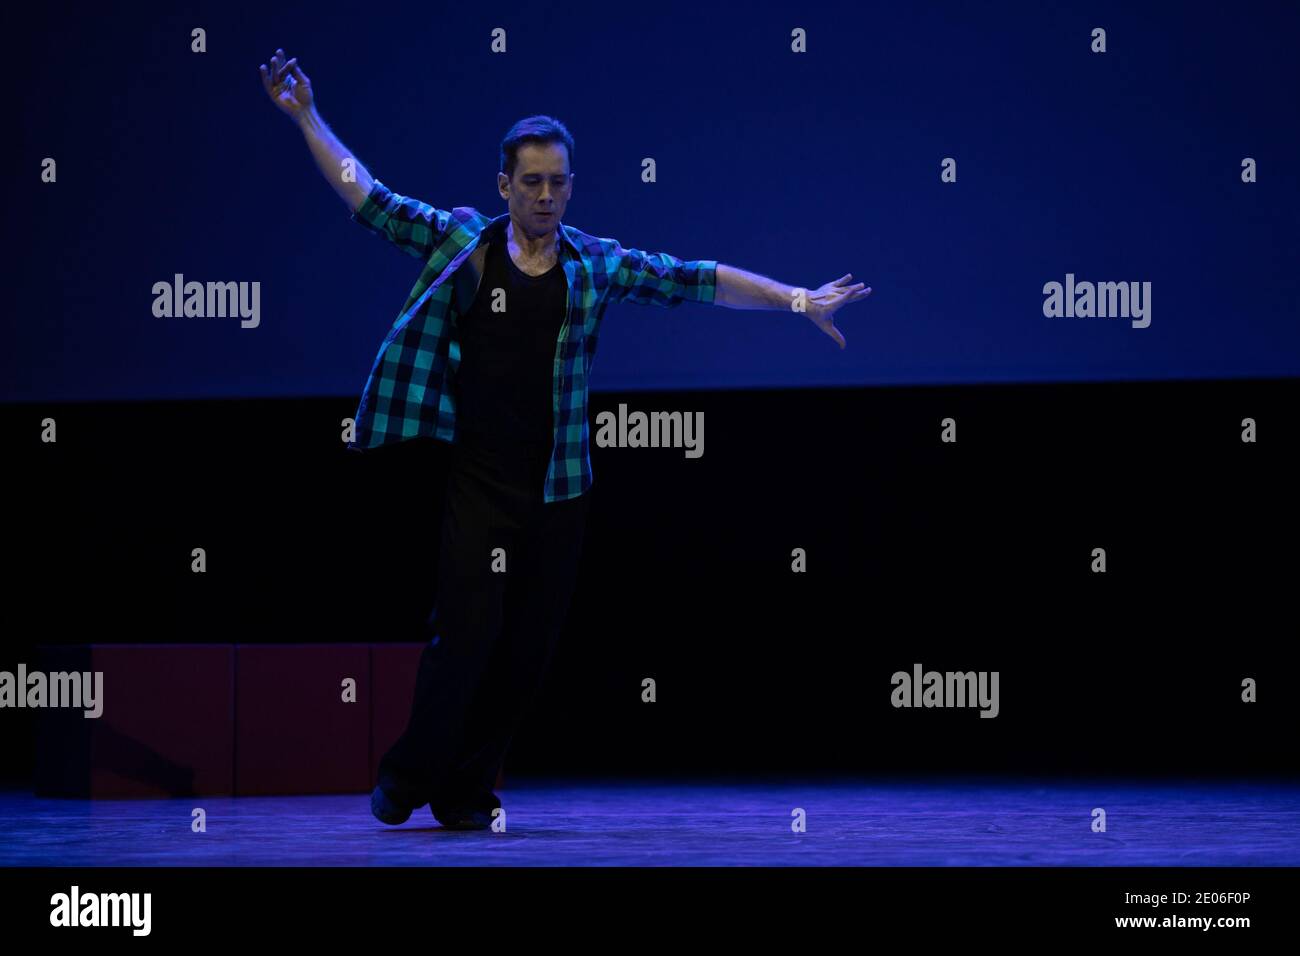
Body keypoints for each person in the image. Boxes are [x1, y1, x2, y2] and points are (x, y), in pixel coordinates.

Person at [260, 49, 873, 829]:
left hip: (561, 489)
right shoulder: (463, 245)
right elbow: (368, 198)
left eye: (558, 182)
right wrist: (308, 116)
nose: (546, 195)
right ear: (504, 185)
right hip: (481, 483)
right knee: (465, 643)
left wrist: (796, 300)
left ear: (571, 187)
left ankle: (466, 792)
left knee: (526, 658)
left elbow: (694, 279)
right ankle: (408, 775)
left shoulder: (594, 264)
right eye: (532, 182)